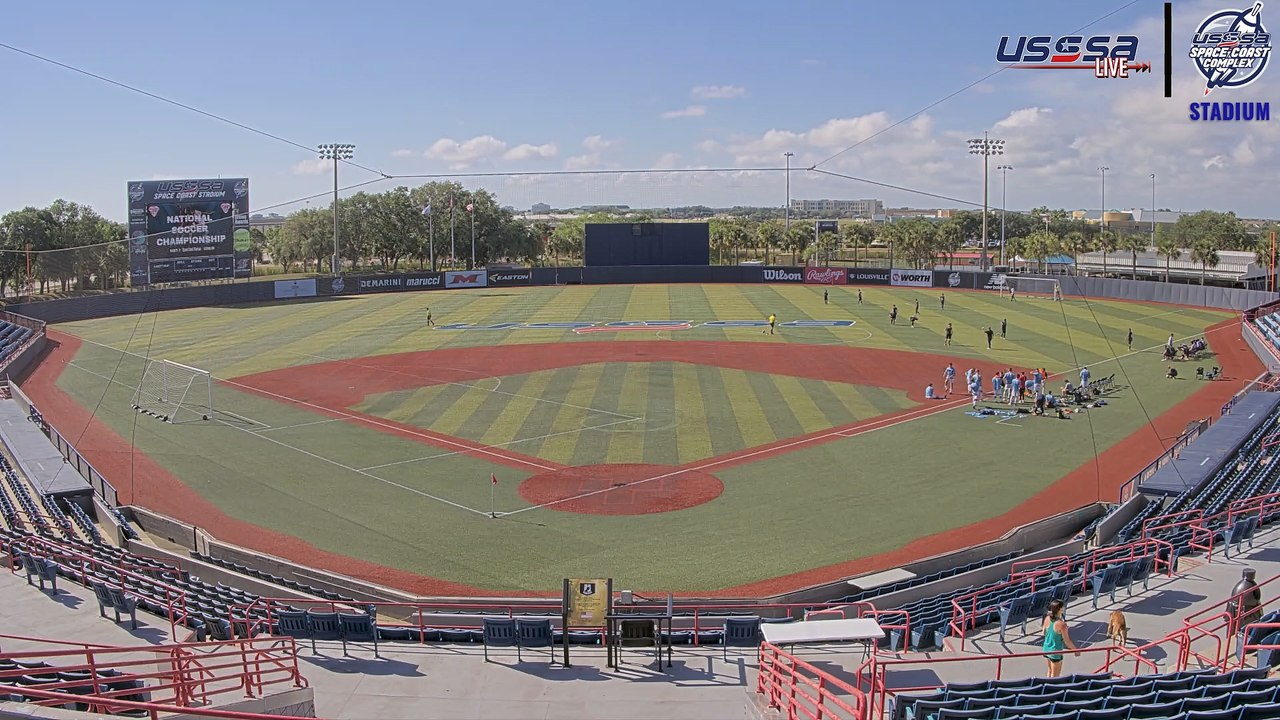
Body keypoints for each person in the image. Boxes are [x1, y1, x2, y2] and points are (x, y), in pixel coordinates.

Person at [1042, 599, 1079, 678]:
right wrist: (1075, 650)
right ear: (1060, 609)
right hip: (1055, 651)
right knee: (1055, 676)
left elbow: (1044, 632)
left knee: (1049, 671)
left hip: (1046, 648)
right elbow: (1067, 641)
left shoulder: (1047, 618)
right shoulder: (1062, 624)